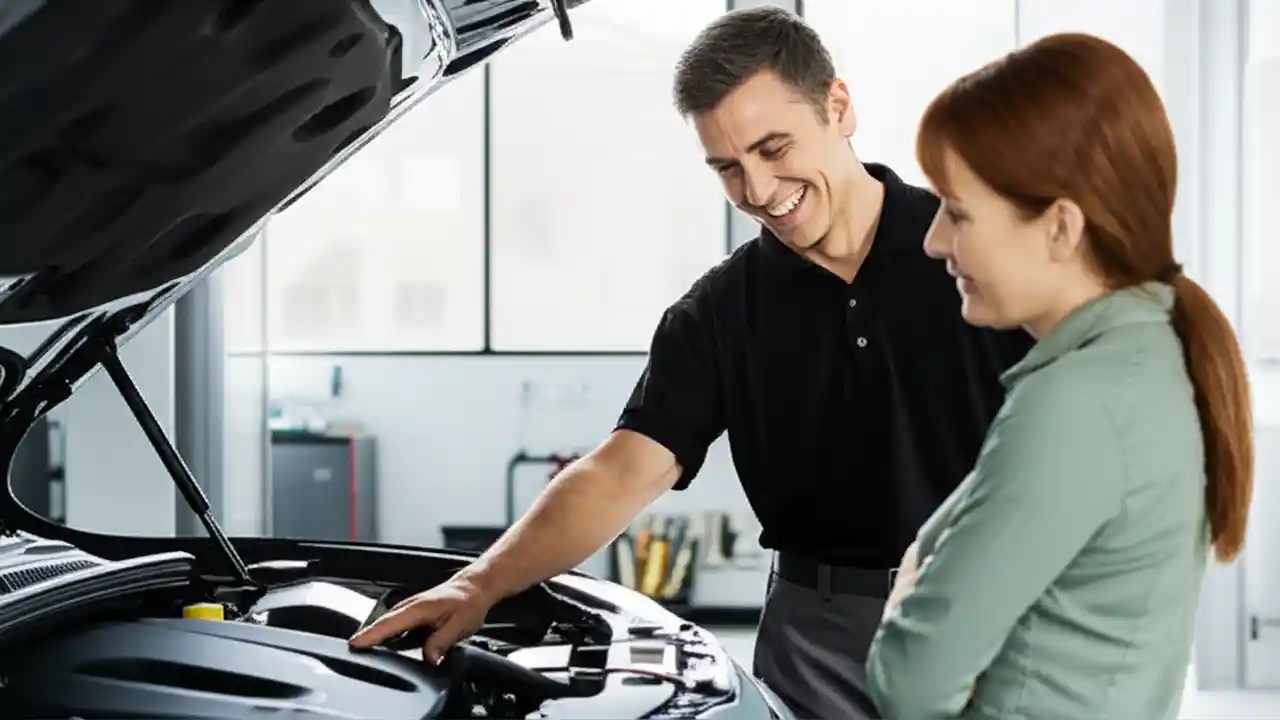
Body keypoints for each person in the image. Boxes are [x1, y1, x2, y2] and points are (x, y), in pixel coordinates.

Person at [349, 8, 1031, 717]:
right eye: (728, 168)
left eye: (774, 149)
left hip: (990, 614)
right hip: (816, 642)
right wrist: (480, 583)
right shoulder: (719, 312)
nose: (759, 192)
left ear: (838, 105)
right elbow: (619, 473)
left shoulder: (976, 250)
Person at [864, 32, 1255, 720]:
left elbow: (909, 682)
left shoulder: (1078, 404)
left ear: (1059, 228)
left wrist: (906, 601)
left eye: (956, 213)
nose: (933, 242)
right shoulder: (1146, 355)